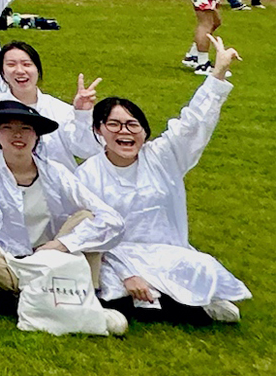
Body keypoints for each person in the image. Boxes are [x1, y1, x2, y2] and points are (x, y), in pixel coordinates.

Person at [71, 48, 249, 321]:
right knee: (103, 277)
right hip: (116, 256)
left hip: (167, 253)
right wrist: (127, 273)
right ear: (99, 130)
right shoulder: (89, 174)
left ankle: (165, 299)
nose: (125, 132)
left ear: (144, 131)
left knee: (203, 266)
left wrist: (218, 72)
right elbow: (91, 235)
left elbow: (193, 122)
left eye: (133, 125)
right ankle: (166, 301)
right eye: (115, 125)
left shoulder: (163, 157)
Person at [0, 97, 121, 299]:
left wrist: (61, 245)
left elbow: (111, 219)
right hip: (8, 260)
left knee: (87, 219)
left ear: (36, 135)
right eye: (7, 127)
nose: (18, 135)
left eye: (26, 128)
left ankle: (51, 292)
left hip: (49, 255)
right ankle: (55, 291)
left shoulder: (54, 171)